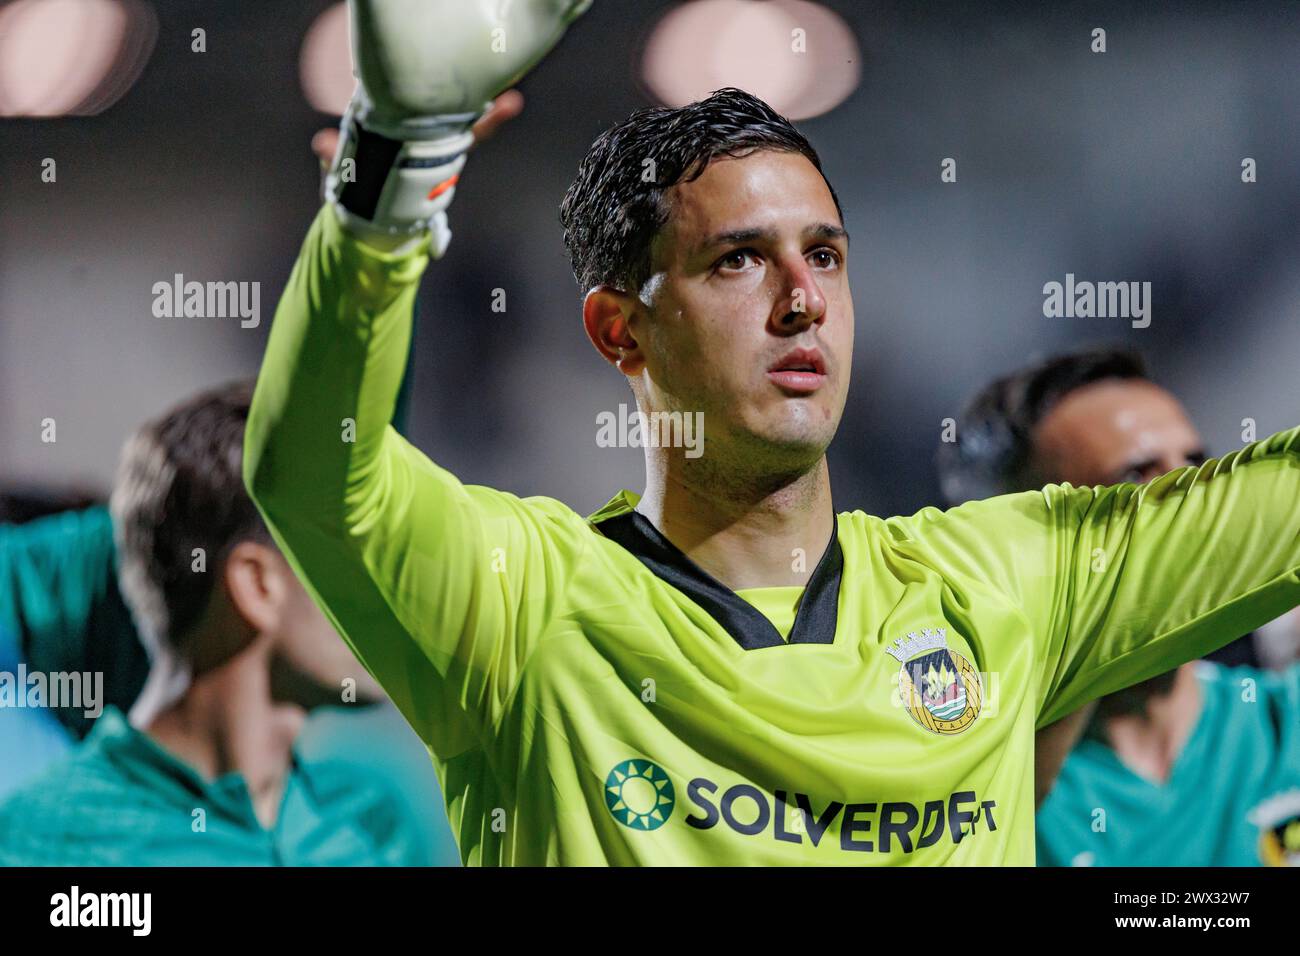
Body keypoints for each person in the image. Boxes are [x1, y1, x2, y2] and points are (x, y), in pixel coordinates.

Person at [244, 0, 1300, 865]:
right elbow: (312, 470)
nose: (803, 301)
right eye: (738, 260)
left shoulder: (1000, 584)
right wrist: (393, 178)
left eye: (826, 256)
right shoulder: (524, 605)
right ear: (621, 330)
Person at [0, 382, 433, 865]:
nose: (399, 589)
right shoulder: (48, 846)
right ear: (256, 585)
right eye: (361, 553)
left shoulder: (377, 825)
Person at [938, 347, 1300, 866]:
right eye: (1137, 480)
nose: (1199, 500)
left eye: (1199, 466)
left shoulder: (1284, 719)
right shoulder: (973, 809)